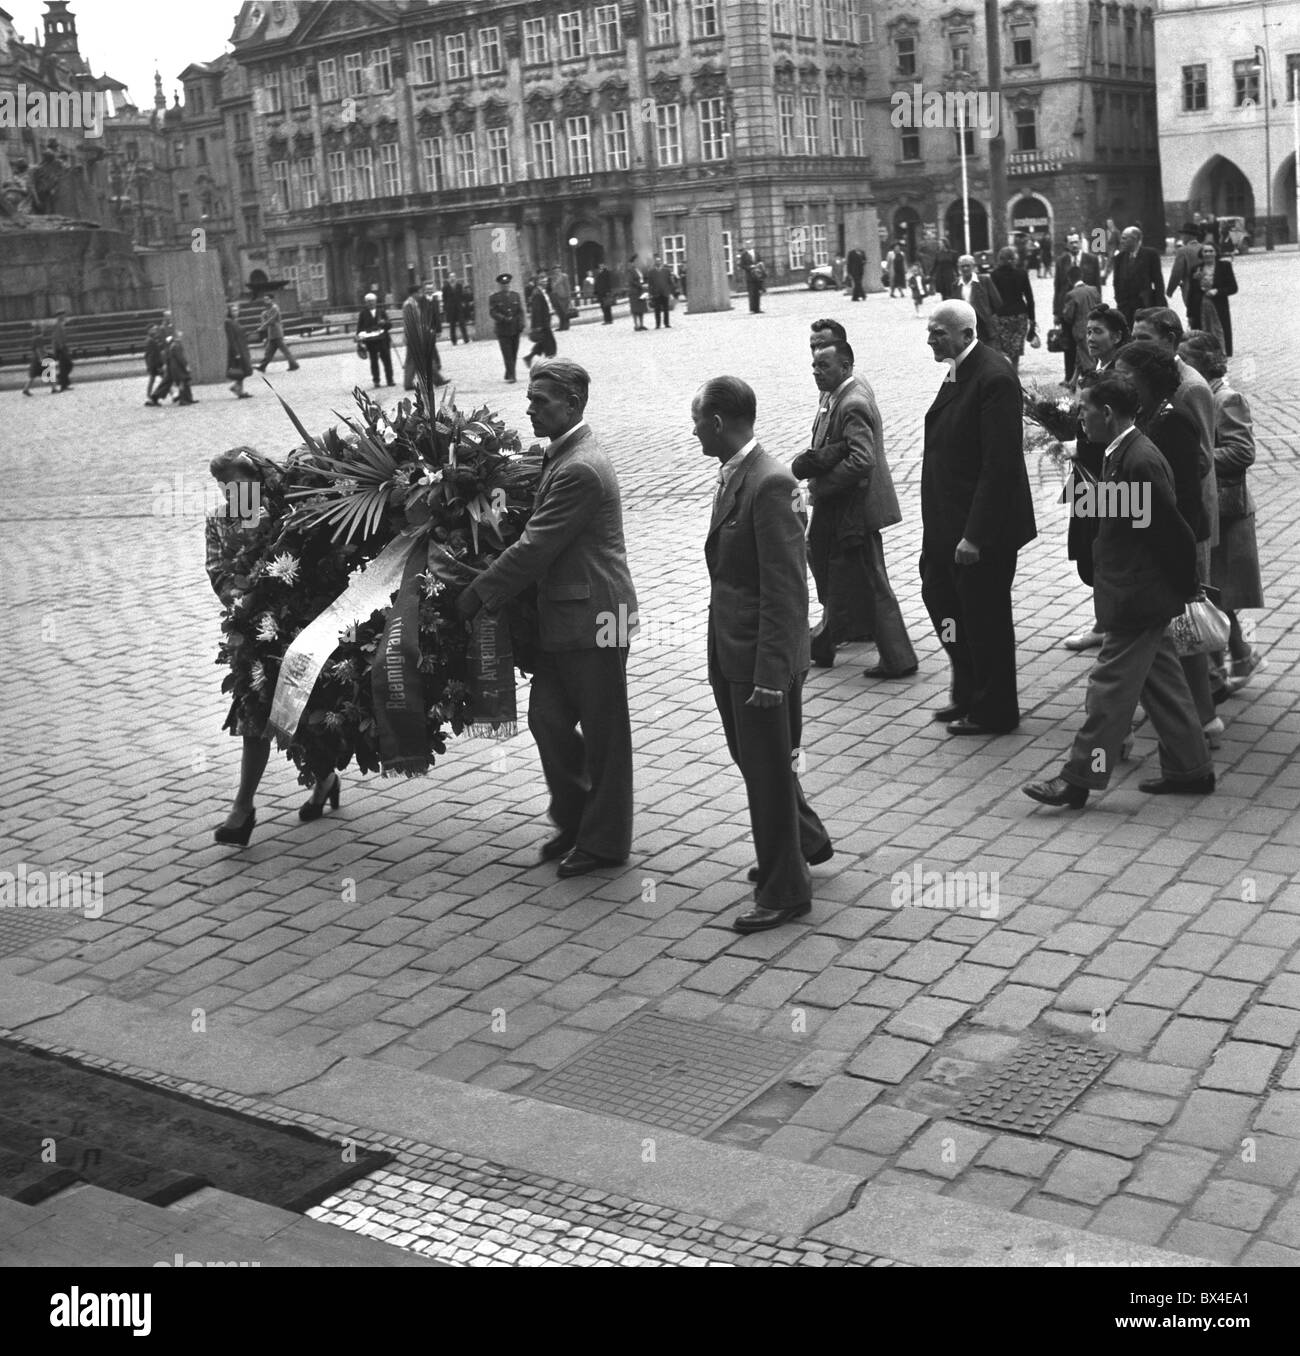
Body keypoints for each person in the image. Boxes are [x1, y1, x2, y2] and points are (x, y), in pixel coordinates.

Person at [456, 359, 637, 878]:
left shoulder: (580, 467)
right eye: (530, 398)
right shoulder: (564, 454)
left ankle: (604, 842)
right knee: (547, 719)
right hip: (573, 613)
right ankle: (577, 817)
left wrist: (478, 592)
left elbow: (536, 546)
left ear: (572, 405)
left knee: (605, 734)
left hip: (600, 615)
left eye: (540, 400)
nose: (530, 407)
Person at [1023, 376, 1212, 807]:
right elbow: (1130, 513)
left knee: (1108, 689)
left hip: (1136, 598)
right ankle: (1191, 768)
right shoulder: (1121, 452)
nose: (1079, 418)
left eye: (1084, 410)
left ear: (1107, 413)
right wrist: (1085, 491)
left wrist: (1187, 587)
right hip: (1132, 591)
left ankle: (1079, 778)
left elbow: (1169, 531)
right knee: (1163, 684)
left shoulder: (1138, 460)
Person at [693, 375, 832, 933]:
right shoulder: (738, 474)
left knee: (769, 775)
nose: (694, 429)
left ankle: (786, 890)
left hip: (760, 661)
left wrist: (773, 674)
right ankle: (808, 840)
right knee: (757, 762)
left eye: (697, 419)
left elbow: (786, 589)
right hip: (734, 651)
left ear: (719, 423)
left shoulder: (768, 484)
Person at [207, 447, 339, 846]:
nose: (231, 493)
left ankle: (325, 778)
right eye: (223, 487)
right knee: (253, 718)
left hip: (296, 625)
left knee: (309, 715)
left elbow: (310, 563)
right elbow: (218, 569)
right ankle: (242, 809)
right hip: (252, 631)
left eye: (237, 484)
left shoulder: (286, 514)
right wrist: (240, 603)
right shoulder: (219, 520)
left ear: (258, 481)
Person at [921, 301, 1037, 735]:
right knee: (942, 601)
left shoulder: (994, 377)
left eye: (939, 333)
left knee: (985, 619)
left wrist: (975, 536)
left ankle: (996, 709)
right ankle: (967, 689)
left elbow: (999, 464)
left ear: (966, 335)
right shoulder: (958, 368)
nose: (930, 340)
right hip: (947, 524)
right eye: (931, 332)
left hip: (980, 531)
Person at [1114, 338, 1220, 746]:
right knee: (1168, 643)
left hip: (1164, 550)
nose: (1118, 383)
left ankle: (1118, 737)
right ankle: (1199, 727)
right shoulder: (1142, 418)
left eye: (1126, 376)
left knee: (1156, 643)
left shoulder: (1171, 423)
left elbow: (1175, 501)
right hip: (1155, 547)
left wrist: (1094, 499)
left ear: (1148, 381)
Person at [793, 339, 916, 679]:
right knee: (840, 577)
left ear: (846, 367)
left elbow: (862, 459)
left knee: (870, 582)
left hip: (855, 511)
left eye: (825, 366)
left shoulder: (852, 402)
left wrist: (822, 484)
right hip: (844, 510)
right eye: (815, 366)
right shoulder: (835, 398)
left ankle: (898, 658)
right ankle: (823, 642)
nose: (817, 372)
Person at [1179, 331, 1266, 696]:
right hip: (1210, 506)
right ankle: (1238, 656)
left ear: (1203, 362)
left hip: (1227, 510)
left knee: (1217, 592)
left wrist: (1192, 460)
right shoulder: (1200, 394)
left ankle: (1221, 668)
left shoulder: (1225, 398)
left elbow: (1242, 452)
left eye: (1185, 358)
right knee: (1216, 591)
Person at [1062, 305, 1130, 651]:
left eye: (1098, 332)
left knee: (1104, 548)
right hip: (1089, 475)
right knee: (1093, 550)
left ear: (1117, 336)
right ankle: (1104, 622)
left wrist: (1080, 447)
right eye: (1088, 332)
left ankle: (1110, 625)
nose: (1090, 338)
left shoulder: (1120, 374)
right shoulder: (1098, 368)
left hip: (1105, 477)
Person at [988, 245, 1036, 372]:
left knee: (1003, 347)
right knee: (1016, 348)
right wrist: (1032, 319)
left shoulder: (994, 275)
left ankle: (1005, 370)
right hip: (1019, 314)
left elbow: (991, 298)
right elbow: (1030, 298)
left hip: (1001, 315)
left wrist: (992, 315)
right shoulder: (1021, 274)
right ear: (1013, 259)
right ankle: (1014, 371)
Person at [1186, 242, 1238, 357]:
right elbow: (1191, 293)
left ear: (1216, 253)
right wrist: (1190, 314)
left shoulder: (1224, 266)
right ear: (1201, 253)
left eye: (1211, 251)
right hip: (1200, 306)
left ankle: (1221, 352)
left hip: (1217, 306)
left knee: (1218, 330)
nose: (1208, 254)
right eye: (1205, 251)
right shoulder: (1196, 269)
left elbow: (1233, 288)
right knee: (1201, 332)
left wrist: (1217, 291)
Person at [1110, 226, 1166, 328]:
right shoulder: (1119, 258)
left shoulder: (1150, 255)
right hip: (1125, 307)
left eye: (1124, 238)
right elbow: (1116, 282)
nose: (1121, 241)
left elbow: (1158, 281)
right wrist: (1119, 301)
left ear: (1135, 239)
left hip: (1145, 306)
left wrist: (1159, 305)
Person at [1061, 271, 1103, 385]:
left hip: (1080, 329)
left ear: (1070, 280)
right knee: (1081, 354)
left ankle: (1094, 384)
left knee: (1088, 358)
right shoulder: (1093, 289)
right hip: (1096, 326)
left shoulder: (1072, 294)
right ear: (1081, 276)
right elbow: (1100, 305)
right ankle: (1073, 381)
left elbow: (1068, 316)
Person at [402, 281, 445, 390]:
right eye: (419, 292)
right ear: (413, 293)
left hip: (416, 336)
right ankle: (437, 380)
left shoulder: (413, 304)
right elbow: (410, 323)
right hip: (414, 337)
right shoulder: (409, 305)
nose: (420, 295)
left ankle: (436, 380)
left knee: (415, 360)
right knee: (421, 359)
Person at [488, 271, 525, 382]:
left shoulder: (515, 296)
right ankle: (512, 376)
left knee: (514, 352)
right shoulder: (494, 297)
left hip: (515, 328)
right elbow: (492, 312)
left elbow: (520, 311)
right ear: (500, 285)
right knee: (507, 353)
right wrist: (503, 318)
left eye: (507, 284)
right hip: (502, 329)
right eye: (503, 285)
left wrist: (521, 322)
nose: (506, 286)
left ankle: (508, 372)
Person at [956, 253, 1001, 342]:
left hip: (983, 324)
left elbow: (997, 302)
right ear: (959, 268)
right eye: (962, 266)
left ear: (973, 266)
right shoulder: (955, 285)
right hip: (964, 326)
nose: (965, 268)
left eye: (967, 266)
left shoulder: (984, 281)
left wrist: (988, 314)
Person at [355, 290, 393, 388]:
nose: (370, 303)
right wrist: (359, 338)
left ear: (375, 301)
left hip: (383, 340)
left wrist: (384, 323)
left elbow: (389, 325)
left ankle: (390, 380)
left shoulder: (381, 312)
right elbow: (360, 328)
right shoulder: (363, 314)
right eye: (368, 301)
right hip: (371, 342)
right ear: (366, 303)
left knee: (387, 360)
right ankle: (376, 380)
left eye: (372, 301)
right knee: (374, 362)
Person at [254, 296, 299, 373]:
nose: (265, 301)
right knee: (269, 351)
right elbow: (266, 320)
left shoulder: (275, 308)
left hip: (277, 333)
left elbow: (272, 320)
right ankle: (263, 366)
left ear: (272, 300)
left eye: (267, 299)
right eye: (264, 299)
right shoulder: (268, 310)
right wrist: (263, 320)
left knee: (284, 350)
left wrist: (262, 327)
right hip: (272, 334)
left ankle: (294, 364)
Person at [524, 277, 557, 366]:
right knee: (550, 343)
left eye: (546, 280)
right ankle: (550, 362)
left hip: (546, 319)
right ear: (538, 282)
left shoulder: (543, 291)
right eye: (543, 281)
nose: (545, 282)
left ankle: (529, 357)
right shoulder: (537, 293)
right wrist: (537, 325)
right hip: (542, 322)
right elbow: (537, 310)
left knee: (544, 342)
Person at [225, 302, 254, 398]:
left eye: (237, 310)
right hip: (237, 351)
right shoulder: (228, 322)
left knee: (245, 370)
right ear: (229, 311)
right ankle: (239, 390)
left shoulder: (235, 321)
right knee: (241, 370)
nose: (236, 312)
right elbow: (231, 339)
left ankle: (238, 389)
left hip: (242, 348)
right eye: (233, 310)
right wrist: (236, 353)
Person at [647, 254, 677, 329]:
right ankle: (658, 324)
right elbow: (650, 284)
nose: (658, 262)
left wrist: (671, 292)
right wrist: (650, 293)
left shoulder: (666, 271)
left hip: (665, 292)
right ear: (655, 262)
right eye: (657, 261)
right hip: (656, 293)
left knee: (666, 309)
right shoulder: (651, 272)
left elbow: (670, 282)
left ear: (661, 262)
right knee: (657, 309)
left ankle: (666, 323)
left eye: (659, 261)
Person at [442, 273, 470, 345]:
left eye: (453, 277)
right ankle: (454, 340)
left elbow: (462, 295)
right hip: (450, 308)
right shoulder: (445, 287)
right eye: (451, 277)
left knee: (462, 323)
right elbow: (444, 298)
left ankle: (466, 339)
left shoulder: (459, 286)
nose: (452, 278)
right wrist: (446, 308)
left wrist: (463, 303)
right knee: (452, 325)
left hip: (458, 308)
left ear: (456, 278)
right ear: (448, 279)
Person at [49, 308, 72, 391]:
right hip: (60, 348)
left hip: (62, 347)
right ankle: (62, 381)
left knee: (66, 366)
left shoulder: (61, 324)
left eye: (64, 314)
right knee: (67, 365)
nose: (64, 316)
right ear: (58, 316)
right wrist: (61, 347)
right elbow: (56, 338)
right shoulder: (57, 325)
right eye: (62, 315)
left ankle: (63, 383)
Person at [737, 245, 765, 313]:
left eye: (750, 244)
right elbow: (741, 265)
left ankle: (757, 308)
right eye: (747, 244)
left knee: (758, 293)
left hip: (757, 275)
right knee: (751, 293)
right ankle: (752, 309)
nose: (749, 246)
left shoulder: (756, 253)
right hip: (750, 276)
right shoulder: (744, 255)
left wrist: (759, 265)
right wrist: (749, 267)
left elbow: (761, 261)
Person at [21, 323, 46, 396]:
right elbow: (38, 349)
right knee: (46, 373)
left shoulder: (35, 338)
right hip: (38, 359)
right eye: (41, 328)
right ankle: (54, 388)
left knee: (33, 375)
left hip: (36, 358)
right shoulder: (38, 338)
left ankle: (26, 389)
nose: (42, 329)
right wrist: (41, 358)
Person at [625, 256, 648, 330]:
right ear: (631, 263)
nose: (636, 263)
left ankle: (641, 324)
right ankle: (636, 325)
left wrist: (644, 284)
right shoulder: (630, 271)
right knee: (635, 309)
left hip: (640, 291)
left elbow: (642, 279)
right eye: (634, 262)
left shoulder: (638, 270)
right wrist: (640, 286)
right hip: (634, 292)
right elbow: (631, 281)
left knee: (641, 308)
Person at [550, 267, 572, 332]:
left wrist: (569, 296)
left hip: (564, 296)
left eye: (557, 270)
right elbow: (552, 286)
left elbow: (567, 286)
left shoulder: (564, 276)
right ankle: (561, 326)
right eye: (555, 270)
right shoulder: (553, 278)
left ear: (560, 270)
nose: (556, 271)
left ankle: (566, 326)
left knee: (565, 311)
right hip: (556, 296)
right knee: (559, 312)